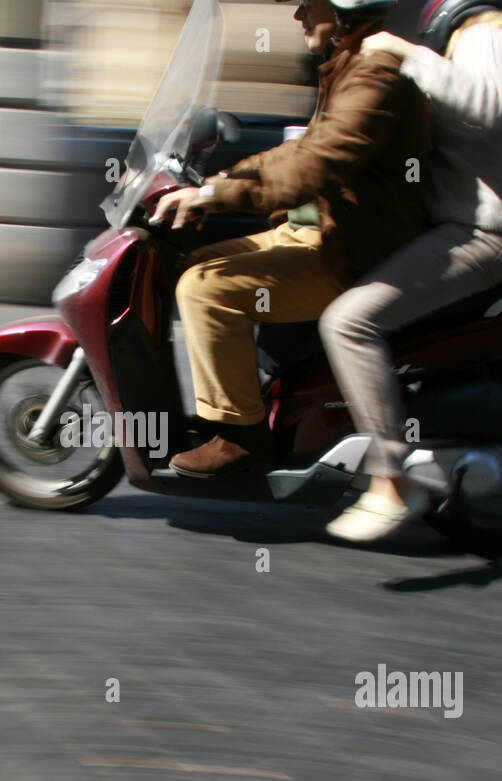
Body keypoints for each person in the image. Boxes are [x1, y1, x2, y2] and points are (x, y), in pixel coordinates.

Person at [150, 0, 432, 479]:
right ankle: (245, 395)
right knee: (197, 263)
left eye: (309, 4)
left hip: (350, 252)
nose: (299, 14)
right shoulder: (347, 64)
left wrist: (217, 196)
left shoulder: (373, 75)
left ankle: (242, 439)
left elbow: (313, 167)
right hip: (322, 231)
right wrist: (217, 180)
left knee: (205, 290)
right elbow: (300, 149)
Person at [321, 0, 502, 542]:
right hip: (459, 229)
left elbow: (481, 107)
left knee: (349, 323)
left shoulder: (486, 39)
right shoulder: (486, 43)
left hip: (480, 236)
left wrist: (404, 53)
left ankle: (389, 481)